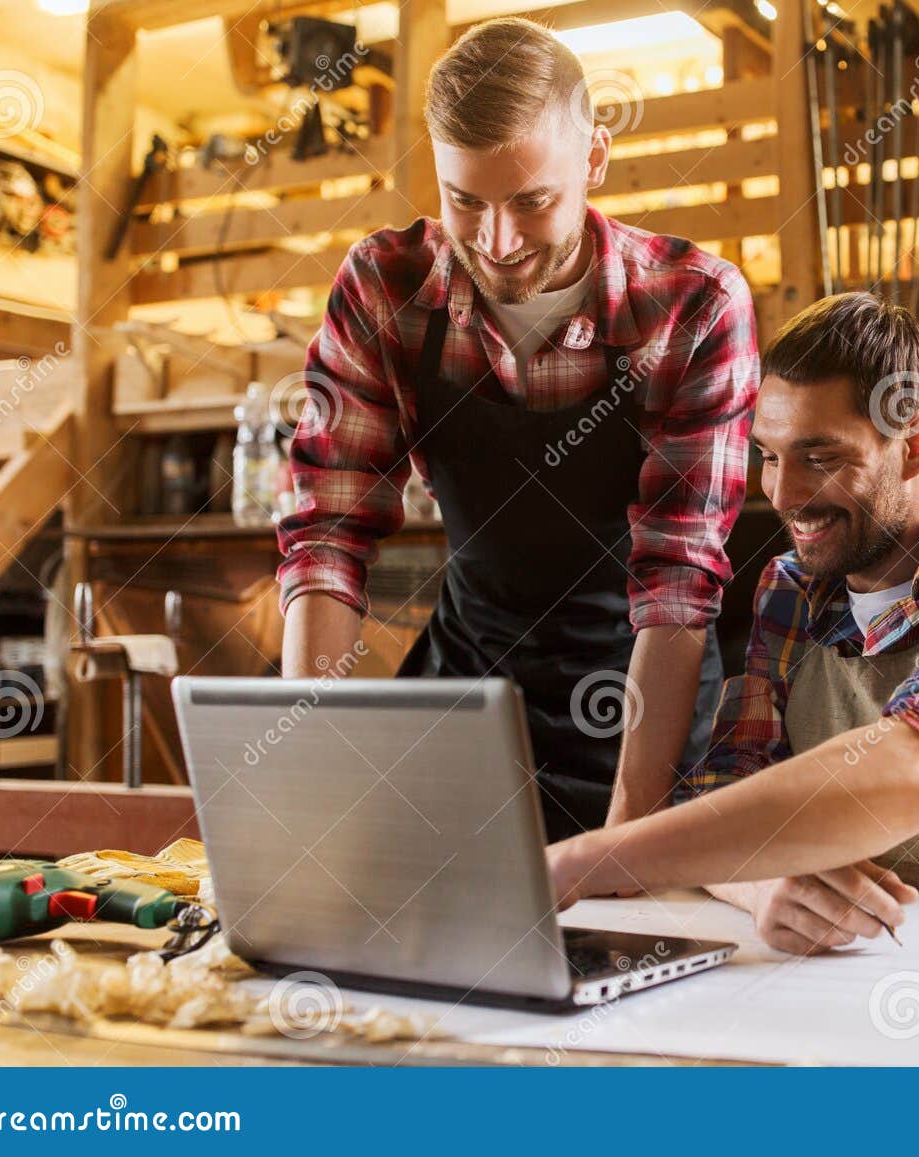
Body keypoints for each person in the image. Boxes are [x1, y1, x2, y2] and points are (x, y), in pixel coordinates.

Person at [276, 19, 759, 840]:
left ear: (595, 160)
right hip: (466, 692)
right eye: (465, 201)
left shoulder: (693, 306)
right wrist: (309, 783)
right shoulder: (385, 287)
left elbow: (678, 583)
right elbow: (327, 533)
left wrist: (628, 839)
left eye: (532, 201)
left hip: (641, 704)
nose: (497, 243)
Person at [547, 292, 919, 953]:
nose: (783, 493)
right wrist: (758, 881)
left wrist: (590, 858)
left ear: (914, 445)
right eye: (769, 455)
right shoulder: (792, 593)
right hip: (863, 973)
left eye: (819, 457)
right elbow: (724, 787)